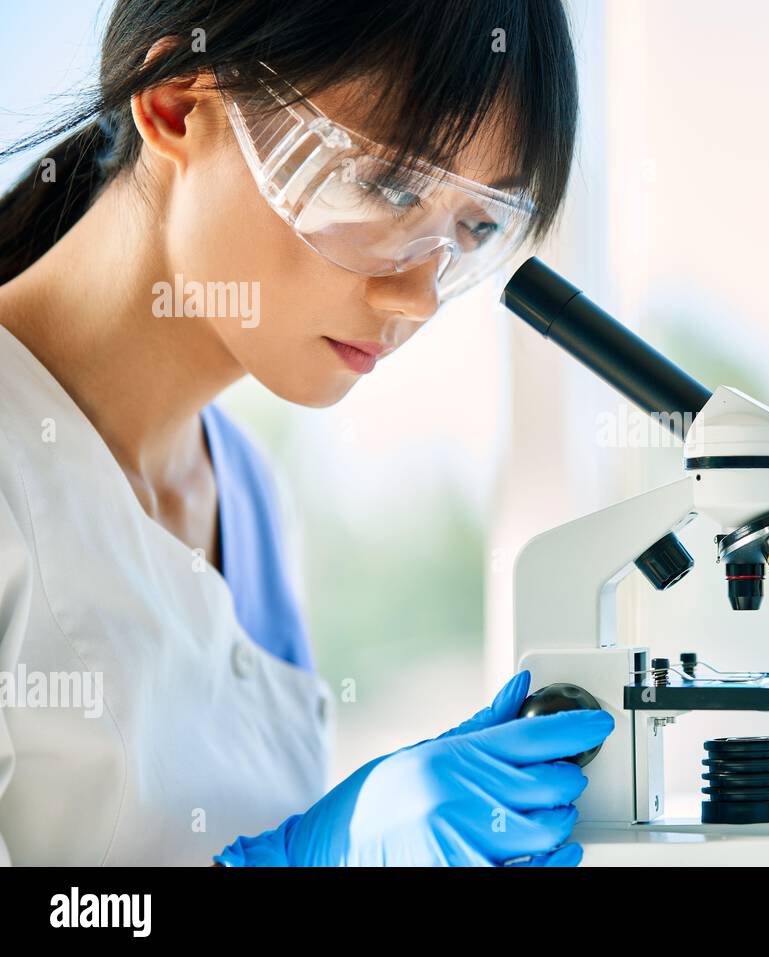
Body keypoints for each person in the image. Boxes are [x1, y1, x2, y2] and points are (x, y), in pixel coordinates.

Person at [0, 0, 613, 866]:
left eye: (476, 226)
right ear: (176, 103)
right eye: (384, 185)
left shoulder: (250, 499)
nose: (417, 299)